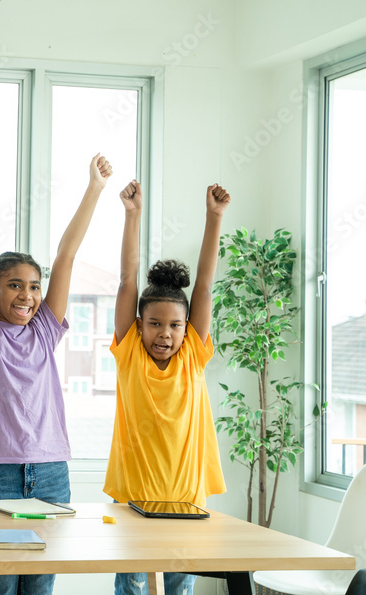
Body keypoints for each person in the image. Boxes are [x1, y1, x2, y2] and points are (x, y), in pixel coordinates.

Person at [0, 138, 112, 595]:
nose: (27, 295)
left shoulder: (45, 331)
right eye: (15, 286)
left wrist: (94, 188)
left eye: (34, 287)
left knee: (41, 580)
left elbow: (66, 255)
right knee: (1, 582)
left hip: (49, 469)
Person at [105, 180, 231, 595]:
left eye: (175, 325)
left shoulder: (193, 354)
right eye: (155, 324)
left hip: (188, 502)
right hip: (135, 500)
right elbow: (127, 282)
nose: (165, 333)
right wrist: (132, 215)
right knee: (133, 589)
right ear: (139, 325)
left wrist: (214, 218)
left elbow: (206, 286)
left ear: (186, 328)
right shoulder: (129, 354)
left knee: (178, 590)